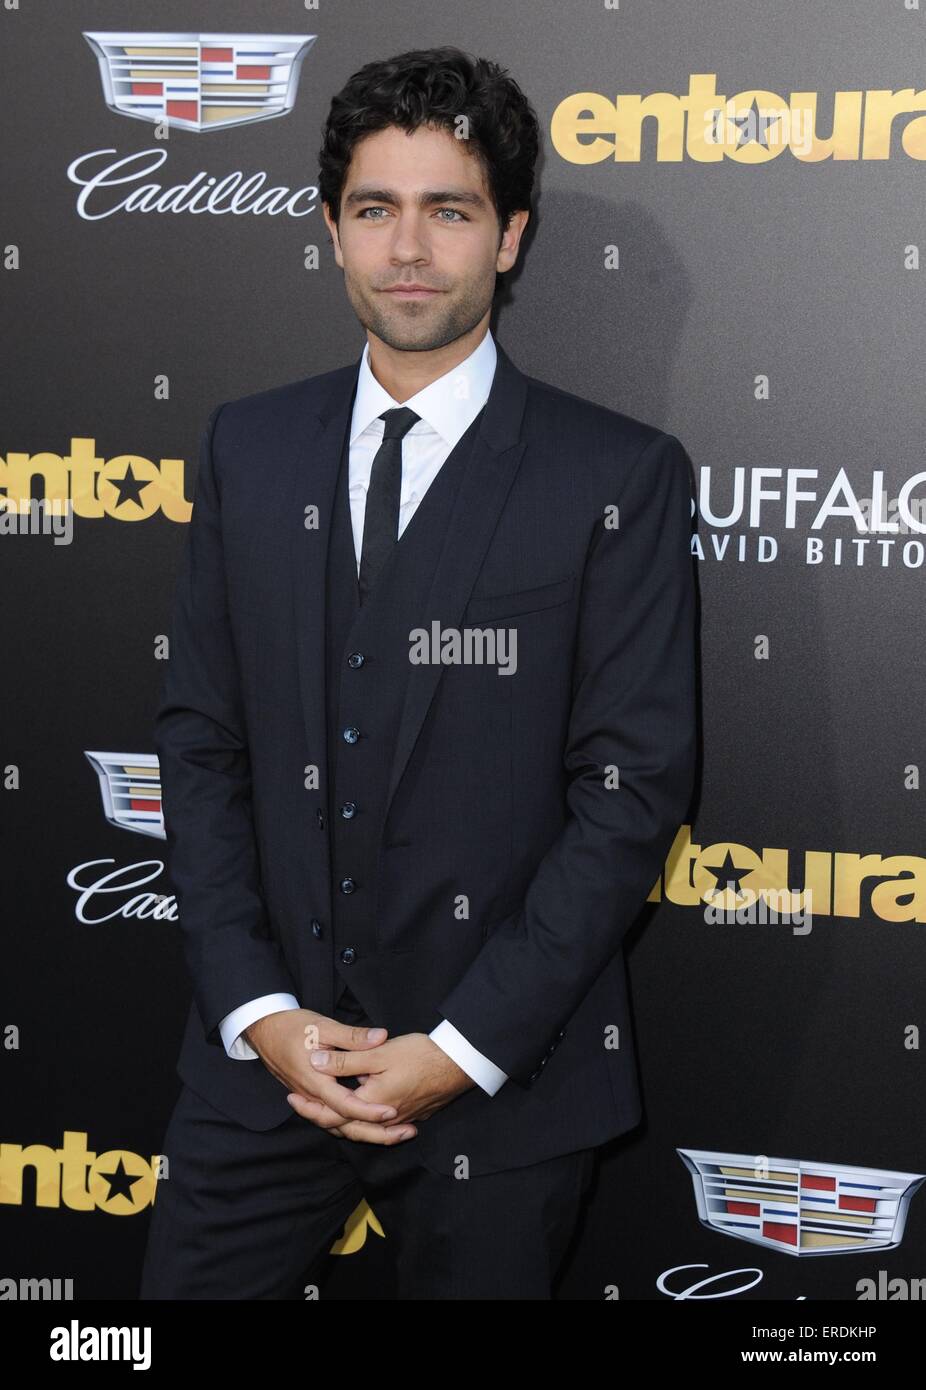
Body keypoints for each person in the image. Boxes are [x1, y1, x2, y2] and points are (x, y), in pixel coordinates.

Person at [140, 45, 698, 1301]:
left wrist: (458, 1047)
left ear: (508, 238)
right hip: (262, 1071)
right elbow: (201, 742)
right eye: (374, 210)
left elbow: (630, 792)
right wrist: (259, 1013)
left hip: (502, 1085)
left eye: (447, 210)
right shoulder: (248, 445)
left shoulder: (614, 475)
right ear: (331, 232)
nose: (407, 247)